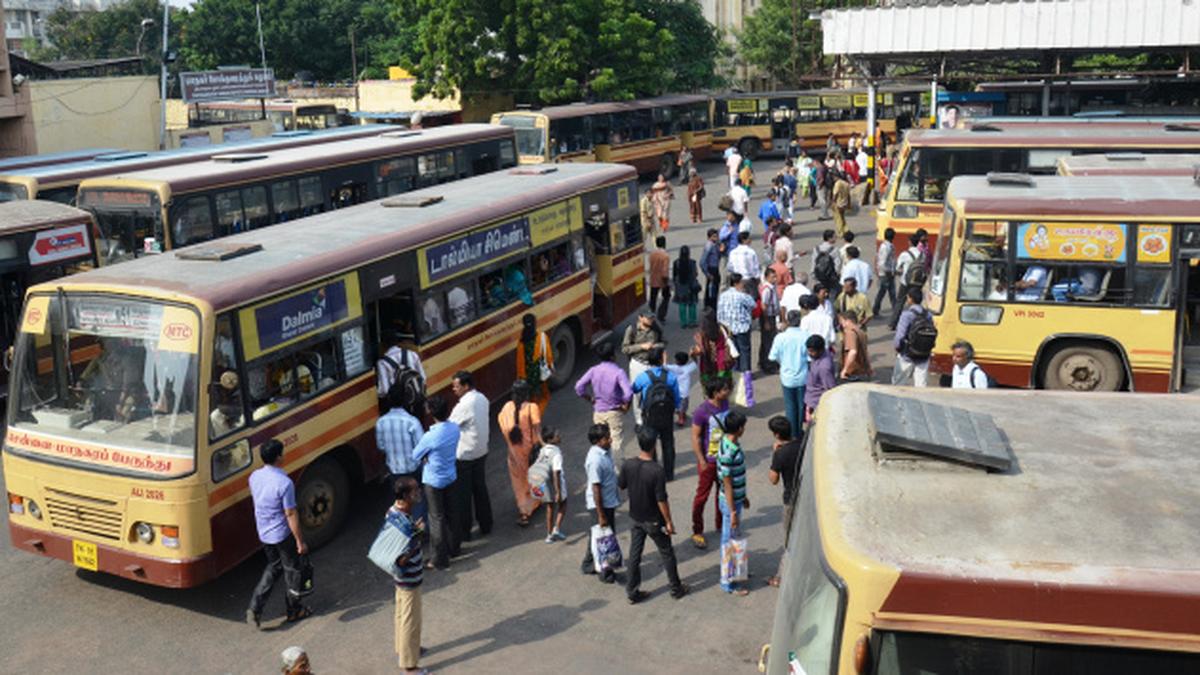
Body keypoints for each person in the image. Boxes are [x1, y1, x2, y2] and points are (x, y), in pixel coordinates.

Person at [246, 438, 311, 629]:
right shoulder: (285, 483)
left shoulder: (254, 476)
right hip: (281, 534)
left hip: (264, 532)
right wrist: (300, 541)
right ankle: (294, 610)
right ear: (279, 457)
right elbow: (290, 513)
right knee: (292, 571)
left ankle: (255, 608)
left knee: (274, 567)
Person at [621, 426, 688, 603]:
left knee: (635, 554)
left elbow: (621, 485)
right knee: (666, 553)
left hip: (635, 517)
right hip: (653, 520)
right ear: (654, 446)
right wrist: (669, 521)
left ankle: (632, 591)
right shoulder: (656, 471)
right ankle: (676, 588)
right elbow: (661, 500)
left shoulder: (628, 464)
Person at [385, 477, 426, 675]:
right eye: (415, 490)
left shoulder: (393, 511)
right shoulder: (403, 521)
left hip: (401, 579)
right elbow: (401, 558)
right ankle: (410, 666)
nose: (418, 493)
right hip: (409, 577)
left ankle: (404, 648)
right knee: (411, 619)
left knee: (402, 614)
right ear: (406, 495)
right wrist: (417, 536)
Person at [412, 395, 459, 570]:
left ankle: (438, 558)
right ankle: (455, 548)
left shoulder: (429, 436)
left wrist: (426, 457)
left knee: (436, 519)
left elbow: (415, 455)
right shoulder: (454, 428)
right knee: (452, 513)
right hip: (451, 476)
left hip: (433, 481)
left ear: (431, 412)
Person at [449, 370, 492, 542]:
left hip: (465, 456)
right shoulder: (482, 398)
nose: (454, 389)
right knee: (480, 489)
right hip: (481, 451)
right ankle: (486, 524)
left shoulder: (464, 405)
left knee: (463, 496)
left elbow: (450, 427)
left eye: (456, 386)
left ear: (466, 386)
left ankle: (465, 531)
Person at [689, 377, 731, 550]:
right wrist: (701, 460)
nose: (728, 392)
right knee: (702, 496)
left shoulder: (726, 404)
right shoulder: (701, 411)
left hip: (724, 458)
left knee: (721, 494)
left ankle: (720, 524)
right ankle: (697, 530)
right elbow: (695, 437)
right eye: (724, 390)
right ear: (715, 393)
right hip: (709, 461)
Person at [575, 339, 633, 458]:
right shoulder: (618, 372)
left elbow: (579, 387)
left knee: (600, 444)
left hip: (598, 412)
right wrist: (624, 406)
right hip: (614, 412)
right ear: (613, 356)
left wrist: (590, 399)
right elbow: (628, 393)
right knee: (616, 443)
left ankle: (602, 467)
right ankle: (617, 472)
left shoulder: (593, 370)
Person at [765, 415, 804, 588]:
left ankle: (781, 577)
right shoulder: (803, 445)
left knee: (789, 540)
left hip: (791, 499)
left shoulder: (781, 453)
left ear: (776, 435)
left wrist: (775, 454)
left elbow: (773, 480)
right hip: (807, 495)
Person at [631, 347, 681, 480]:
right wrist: (676, 409)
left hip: (649, 415)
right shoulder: (670, 377)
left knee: (650, 443)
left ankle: (653, 472)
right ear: (661, 360)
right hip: (666, 415)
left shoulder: (643, 377)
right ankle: (669, 474)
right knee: (668, 443)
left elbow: (634, 389)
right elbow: (677, 398)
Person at [499, 380, 542, 526]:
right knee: (535, 478)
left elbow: (503, 426)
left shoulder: (506, 408)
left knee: (519, 482)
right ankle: (536, 501)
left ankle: (524, 511)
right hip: (531, 452)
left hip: (514, 454)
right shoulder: (532, 408)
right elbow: (537, 430)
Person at [716, 409, 750, 597]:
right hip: (730, 503)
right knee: (729, 542)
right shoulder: (729, 451)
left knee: (734, 538)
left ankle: (736, 570)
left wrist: (743, 496)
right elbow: (727, 482)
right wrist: (733, 512)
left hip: (734, 500)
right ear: (738, 429)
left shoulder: (728, 442)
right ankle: (727, 582)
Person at [581, 422, 621, 583]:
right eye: (606, 438)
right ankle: (605, 571)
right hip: (601, 504)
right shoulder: (595, 460)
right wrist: (601, 515)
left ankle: (588, 563)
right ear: (598, 441)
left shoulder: (605, 451)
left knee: (596, 535)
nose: (610, 440)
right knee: (604, 539)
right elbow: (596, 488)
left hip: (609, 501)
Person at [769, 310, 810, 439]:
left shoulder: (780, 337)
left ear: (787, 320)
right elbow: (810, 358)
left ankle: (793, 434)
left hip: (787, 377)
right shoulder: (806, 336)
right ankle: (798, 431)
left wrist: (782, 361)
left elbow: (772, 356)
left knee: (790, 407)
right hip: (803, 376)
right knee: (800, 406)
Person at [376, 383, 424, 488]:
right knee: (417, 500)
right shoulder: (412, 422)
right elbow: (421, 447)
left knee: (400, 501)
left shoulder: (381, 422)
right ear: (405, 399)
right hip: (413, 469)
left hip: (394, 471)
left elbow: (381, 446)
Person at [622, 309, 666, 423]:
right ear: (640, 318)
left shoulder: (656, 328)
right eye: (648, 318)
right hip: (638, 364)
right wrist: (641, 346)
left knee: (654, 391)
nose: (651, 320)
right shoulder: (632, 329)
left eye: (652, 317)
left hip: (653, 364)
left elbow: (663, 343)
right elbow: (625, 349)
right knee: (638, 393)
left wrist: (655, 346)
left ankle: (652, 416)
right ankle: (639, 420)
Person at [514, 313, 553, 413]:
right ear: (535, 323)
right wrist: (551, 367)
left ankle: (531, 415)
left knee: (531, 399)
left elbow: (519, 362)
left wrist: (520, 377)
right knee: (544, 397)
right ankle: (536, 417)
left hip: (527, 377)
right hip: (539, 375)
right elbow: (548, 356)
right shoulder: (541, 337)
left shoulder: (521, 342)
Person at [893, 287, 932, 387]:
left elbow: (900, 336)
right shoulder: (928, 314)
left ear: (910, 299)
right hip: (924, 354)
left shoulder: (907, 315)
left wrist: (897, 348)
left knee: (899, 383)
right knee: (921, 385)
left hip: (907, 354)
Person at [717, 273, 757, 373]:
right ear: (736, 283)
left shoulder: (723, 296)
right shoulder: (742, 296)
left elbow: (719, 313)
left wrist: (722, 326)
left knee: (733, 350)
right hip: (742, 327)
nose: (743, 284)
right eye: (741, 282)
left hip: (728, 328)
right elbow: (753, 304)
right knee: (744, 351)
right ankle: (745, 373)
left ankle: (735, 371)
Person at [534, 425, 568, 542]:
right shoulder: (556, 453)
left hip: (544, 483)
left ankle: (548, 535)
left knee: (549, 507)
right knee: (563, 505)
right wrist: (558, 491)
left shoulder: (543, 450)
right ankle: (556, 528)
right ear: (550, 440)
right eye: (556, 436)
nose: (559, 437)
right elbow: (556, 472)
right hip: (555, 484)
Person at [376, 333, 427, 409]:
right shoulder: (412, 354)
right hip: (416, 401)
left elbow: (384, 390)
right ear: (397, 342)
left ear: (383, 345)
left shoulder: (382, 363)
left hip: (398, 405)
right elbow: (423, 378)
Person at [890, 233, 927, 330]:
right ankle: (916, 322)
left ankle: (893, 323)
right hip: (917, 282)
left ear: (909, 242)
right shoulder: (922, 254)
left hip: (905, 282)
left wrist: (901, 271)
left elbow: (897, 268)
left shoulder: (904, 254)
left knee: (900, 302)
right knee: (916, 302)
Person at [692, 307, 735, 389]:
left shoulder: (701, 334)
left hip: (707, 364)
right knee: (723, 387)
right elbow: (729, 339)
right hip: (722, 362)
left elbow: (700, 350)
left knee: (709, 389)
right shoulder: (723, 329)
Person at [803, 335, 836, 422]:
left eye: (812, 351)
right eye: (808, 350)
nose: (809, 354)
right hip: (812, 399)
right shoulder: (821, 355)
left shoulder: (824, 368)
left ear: (820, 350)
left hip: (817, 403)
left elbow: (830, 389)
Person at [666, 350, 698, 428]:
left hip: (676, 392)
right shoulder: (688, 368)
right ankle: (682, 414)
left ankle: (681, 420)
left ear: (677, 360)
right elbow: (696, 363)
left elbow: (664, 366)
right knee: (684, 405)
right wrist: (693, 356)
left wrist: (664, 357)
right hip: (685, 393)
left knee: (679, 406)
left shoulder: (673, 368)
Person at [838, 312, 873, 382]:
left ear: (847, 321)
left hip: (852, 373)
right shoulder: (861, 332)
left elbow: (853, 352)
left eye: (841, 321)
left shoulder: (850, 333)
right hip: (862, 371)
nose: (841, 324)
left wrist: (845, 370)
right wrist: (869, 368)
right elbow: (865, 351)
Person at [759, 267, 781, 375]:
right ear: (767, 277)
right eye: (773, 277)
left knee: (766, 341)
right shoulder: (767, 290)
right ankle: (768, 365)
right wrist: (766, 321)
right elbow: (764, 306)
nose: (775, 279)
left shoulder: (771, 287)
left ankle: (763, 362)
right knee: (769, 342)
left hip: (771, 317)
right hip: (768, 317)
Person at [673, 244, 700, 328]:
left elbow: (674, 275)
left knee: (682, 304)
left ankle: (683, 322)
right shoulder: (692, 262)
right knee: (692, 304)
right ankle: (692, 321)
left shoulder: (676, 262)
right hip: (690, 285)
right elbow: (695, 274)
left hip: (680, 286)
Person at [874, 227, 897, 316]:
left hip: (889, 273)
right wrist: (888, 272)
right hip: (886, 274)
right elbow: (882, 262)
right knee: (882, 292)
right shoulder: (886, 247)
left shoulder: (889, 246)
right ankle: (875, 310)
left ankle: (895, 310)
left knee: (891, 293)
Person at [648, 236, 671, 322]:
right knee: (666, 297)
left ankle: (651, 314)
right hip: (662, 280)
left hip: (653, 278)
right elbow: (665, 271)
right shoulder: (665, 256)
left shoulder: (652, 254)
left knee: (653, 298)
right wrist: (666, 281)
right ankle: (661, 315)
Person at [701, 228, 721, 311]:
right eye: (714, 236)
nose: (716, 238)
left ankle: (711, 306)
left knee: (714, 289)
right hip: (711, 269)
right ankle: (710, 307)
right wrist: (707, 273)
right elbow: (702, 262)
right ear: (709, 237)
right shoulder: (709, 246)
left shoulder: (715, 244)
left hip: (715, 268)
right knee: (711, 290)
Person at [831, 170, 851, 238]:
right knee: (842, 218)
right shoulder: (846, 183)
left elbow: (835, 194)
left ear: (835, 176)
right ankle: (846, 230)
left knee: (838, 219)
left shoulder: (837, 183)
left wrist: (833, 202)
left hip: (838, 203)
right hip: (844, 203)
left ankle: (840, 233)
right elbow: (848, 195)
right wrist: (849, 204)